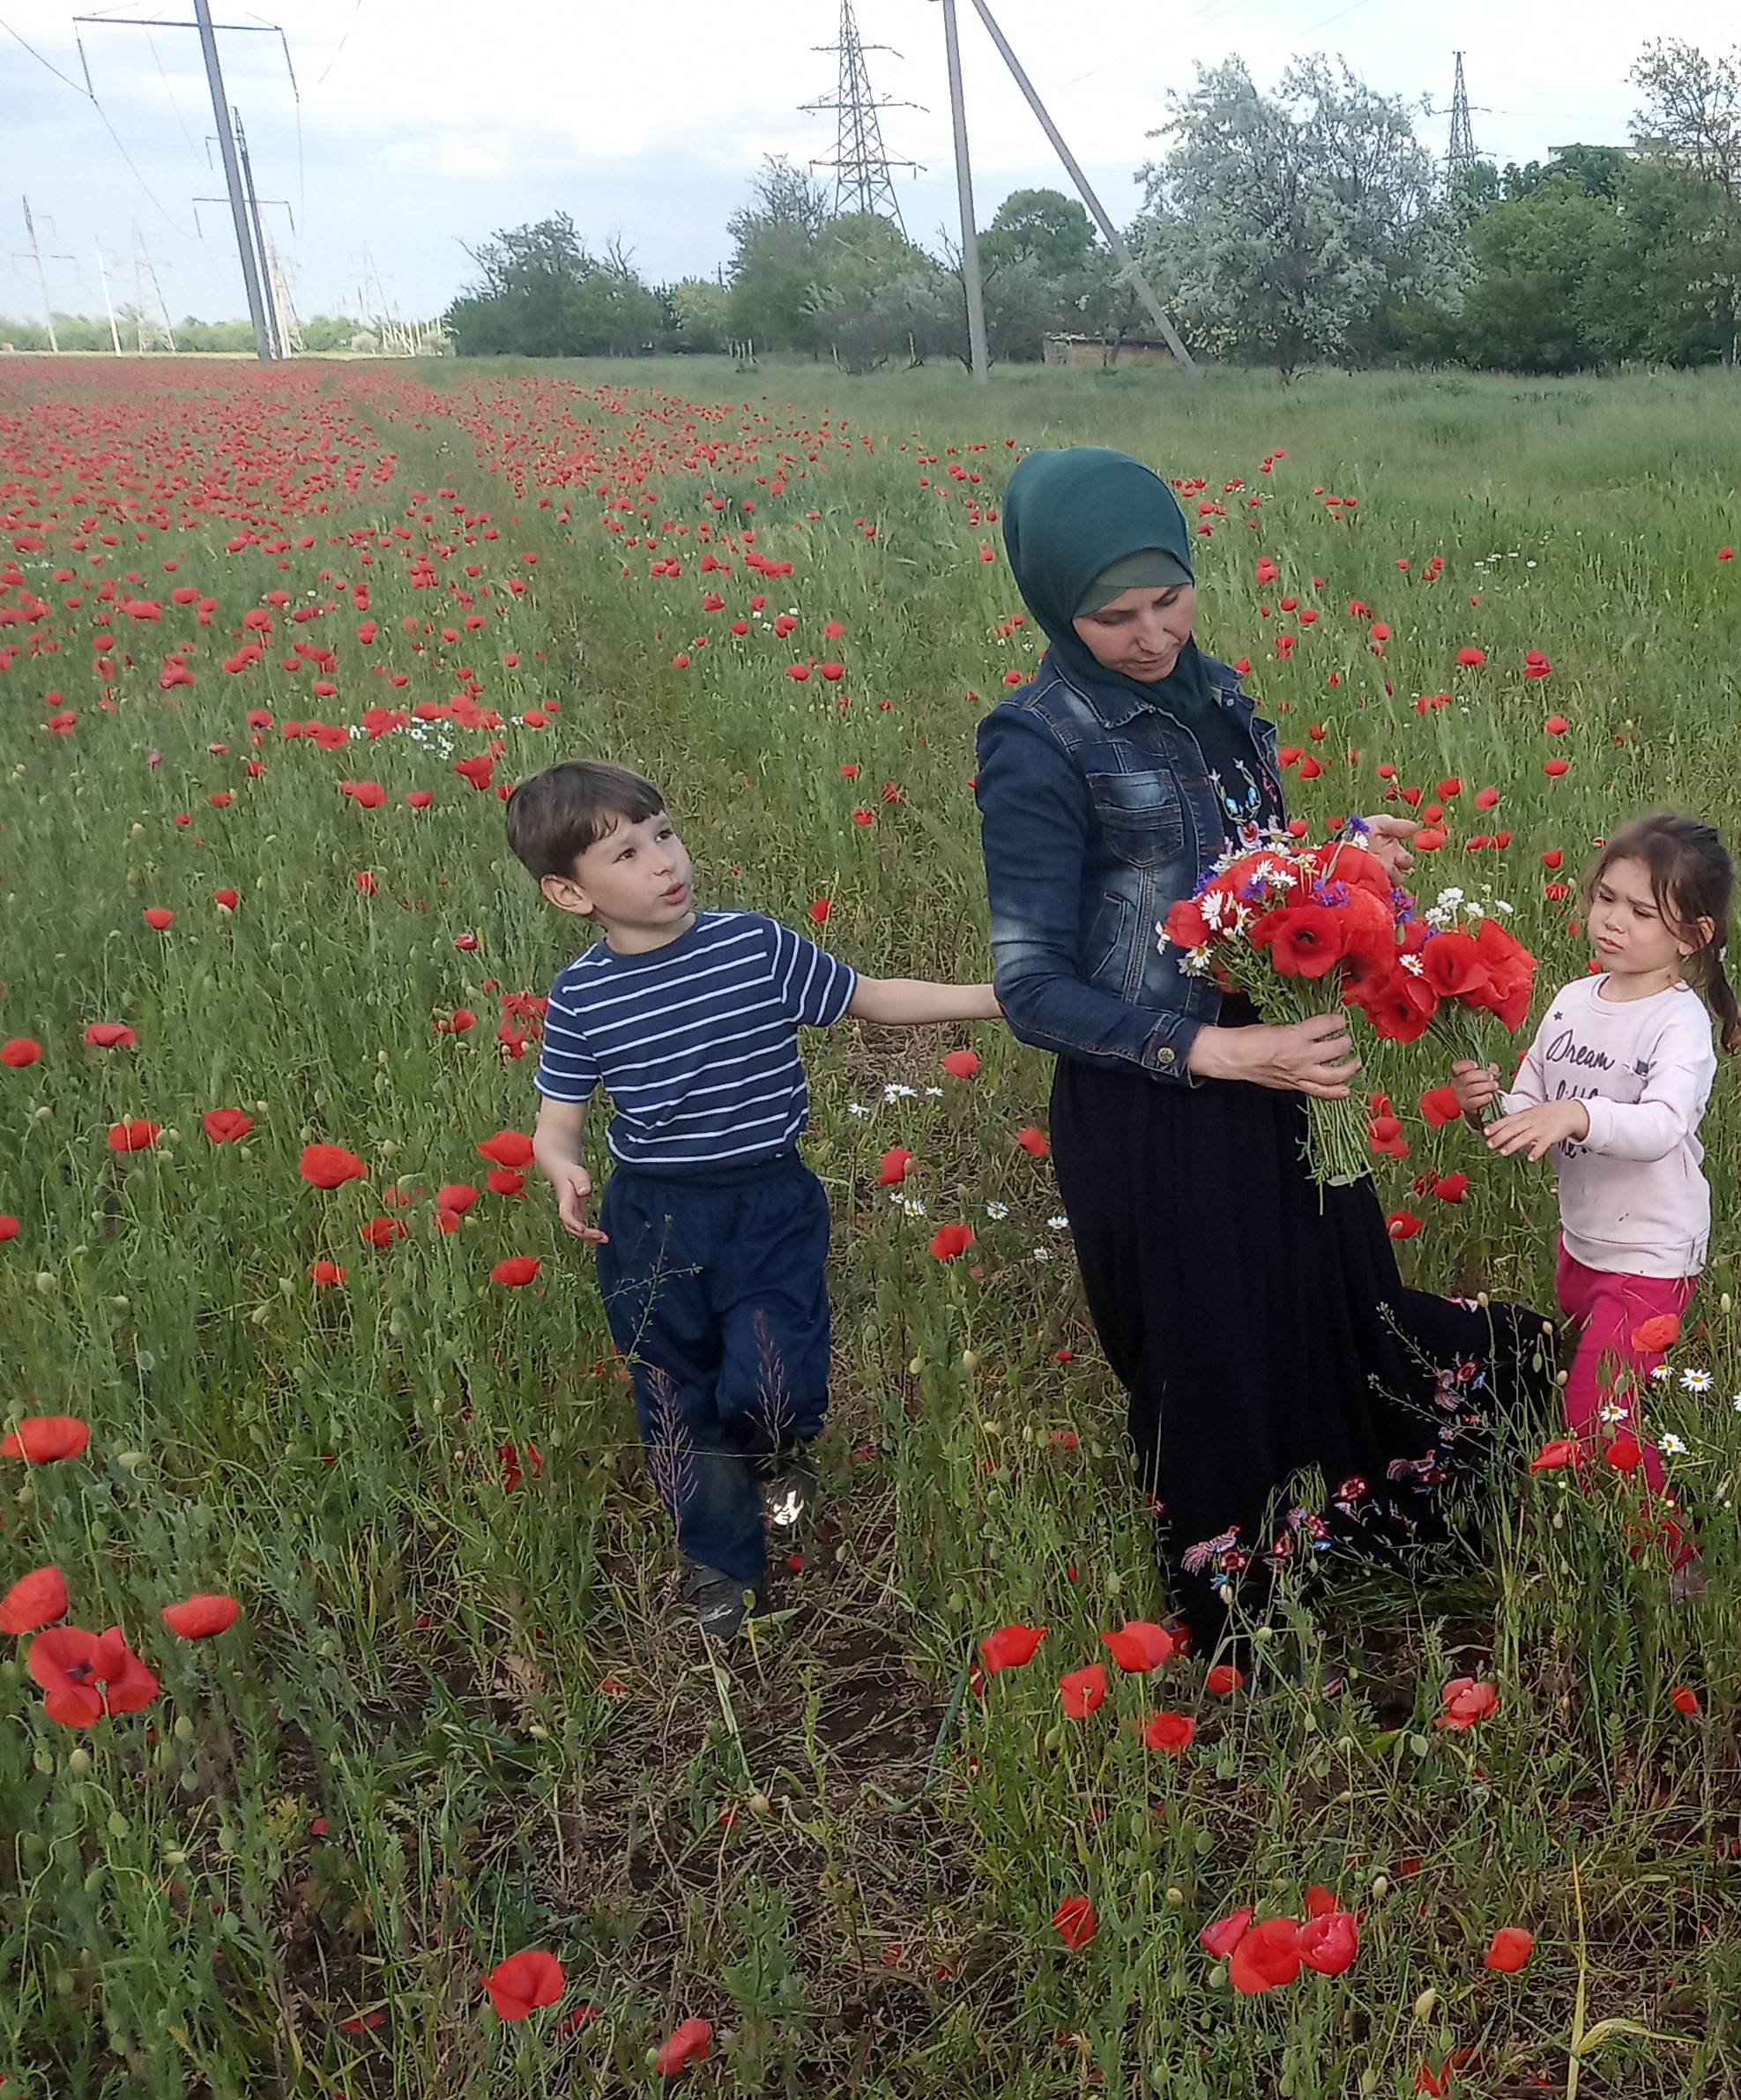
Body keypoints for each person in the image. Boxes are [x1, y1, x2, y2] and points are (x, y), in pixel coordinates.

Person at [977, 445, 1547, 1650]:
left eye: (1168, 599)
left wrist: (1343, 859)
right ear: (1052, 605)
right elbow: (1032, 991)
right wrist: (1222, 1055)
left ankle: (1352, 1523)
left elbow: (1242, 866)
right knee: (1213, 1356)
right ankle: (1246, 1626)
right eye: (1113, 615)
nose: (1150, 636)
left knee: (1332, 1301)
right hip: (1157, 1102)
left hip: (1281, 1060)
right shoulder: (1036, 741)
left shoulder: (1222, 696)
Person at [510, 758, 1003, 1640]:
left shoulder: (752, 944)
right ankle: (721, 1558)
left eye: (663, 833)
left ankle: (780, 1450)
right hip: (651, 1217)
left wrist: (1004, 998)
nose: (663, 861)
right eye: (626, 854)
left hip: (767, 1200)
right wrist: (562, 1165)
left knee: (769, 1372)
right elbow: (558, 1116)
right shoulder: (582, 996)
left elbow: (871, 998)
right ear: (568, 893)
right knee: (674, 1392)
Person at [1449, 815, 1736, 1503]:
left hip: (1653, 1254)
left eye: (1641, 912)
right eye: (1606, 898)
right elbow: (1530, 1109)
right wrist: (1483, 1103)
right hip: (1582, 1246)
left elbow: (1663, 1125)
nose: (1612, 921)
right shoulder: (1574, 1001)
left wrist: (1576, 1115)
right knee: (1603, 1393)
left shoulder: (1678, 1022)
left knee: (1596, 1414)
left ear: (1692, 937)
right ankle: (1612, 1523)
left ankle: (1668, 1565)